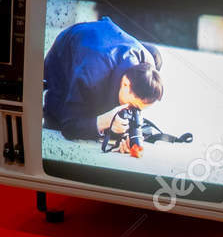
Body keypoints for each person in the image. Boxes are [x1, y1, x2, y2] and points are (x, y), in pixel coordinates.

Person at [43, 18, 165, 157]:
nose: (131, 110)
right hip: (69, 47)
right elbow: (68, 127)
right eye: (132, 105)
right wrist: (103, 122)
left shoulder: (148, 61)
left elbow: (140, 92)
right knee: (56, 120)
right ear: (125, 83)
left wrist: (126, 134)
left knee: (156, 55)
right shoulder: (91, 76)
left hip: (109, 41)